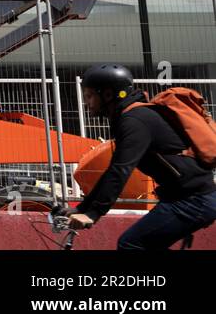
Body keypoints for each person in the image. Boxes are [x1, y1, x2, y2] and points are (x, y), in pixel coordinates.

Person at [69, 63, 216, 249]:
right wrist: (81, 208)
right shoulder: (131, 117)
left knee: (131, 244)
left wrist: (93, 213)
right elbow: (112, 171)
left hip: (193, 200)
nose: (87, 102)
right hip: (186, 198)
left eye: (89, 96)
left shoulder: (134, 121)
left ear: (107, 94)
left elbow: (121, 170)